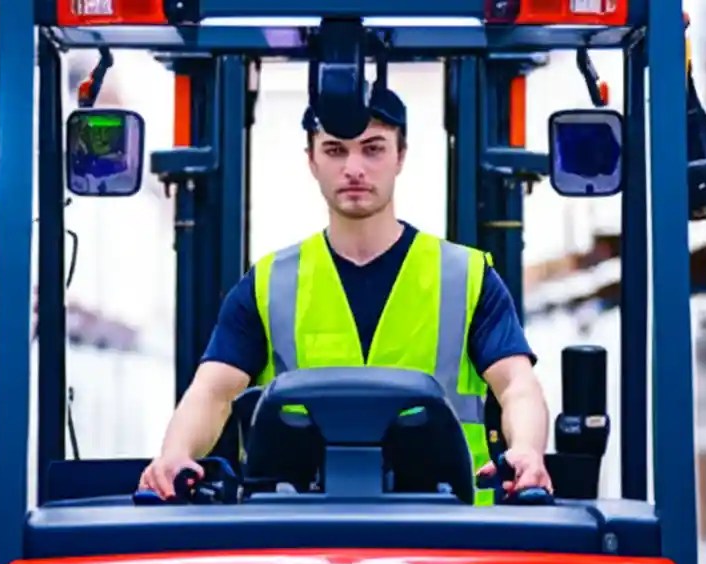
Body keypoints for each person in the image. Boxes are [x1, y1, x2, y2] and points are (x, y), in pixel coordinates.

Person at [139, 85, 553, 499]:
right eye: (335, 150)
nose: (354, 167)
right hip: (299, 537)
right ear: (312, 161)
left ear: (400, 156)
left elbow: (517, 384)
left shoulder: (467, 277)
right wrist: (176, 453)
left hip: (448, 531)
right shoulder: (268, 283)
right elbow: (213, 392)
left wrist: (527, 451)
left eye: (373, 149)